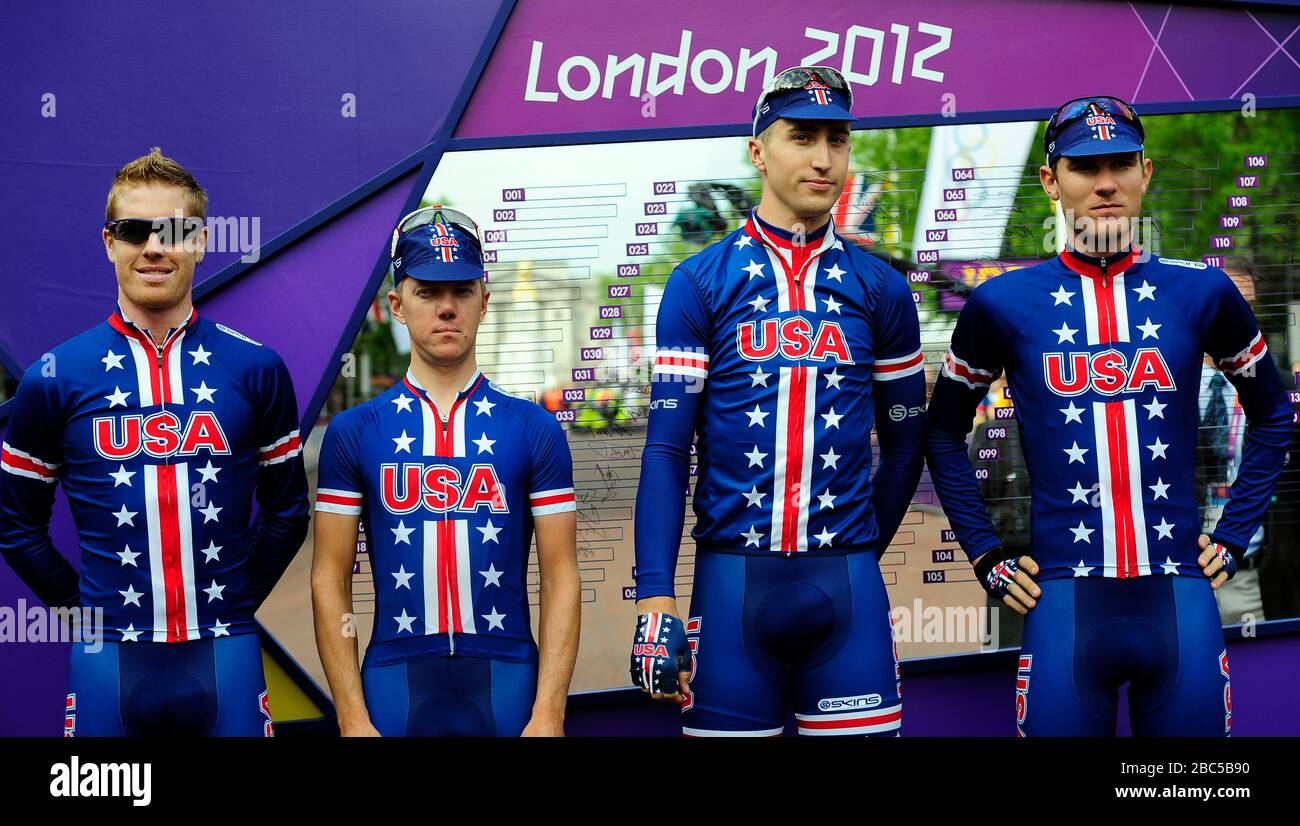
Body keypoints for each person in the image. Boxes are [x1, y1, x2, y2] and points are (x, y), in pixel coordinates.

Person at [925, 97, 1293, 736]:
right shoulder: (1000, 303)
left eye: (1121, 163)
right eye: (1084, 167)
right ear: (1051, 180)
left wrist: (1234, 534)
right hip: (1065, 603)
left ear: (1145, 172)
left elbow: (1273, 414)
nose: (1104, 183)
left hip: (1179, 599)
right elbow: (941, 431)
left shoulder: (1202, 291)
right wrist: (986, 556)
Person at [630, 66, 926, 736]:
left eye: (839, 139)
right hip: (731, 592)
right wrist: (654, 595)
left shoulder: (880, 288)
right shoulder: (698, 282)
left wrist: (856, 552)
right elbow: (668, 449)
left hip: (846, 591)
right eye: (802, 137)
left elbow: (907, 441)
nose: (824, 159)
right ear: (758, 150)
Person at [0, 148, 310, 735]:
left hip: (226, 654)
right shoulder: (55, 376)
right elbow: (14, 525)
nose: (154, 247)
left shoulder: (256, 369)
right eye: (135, 230)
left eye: (173, 231)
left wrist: (234, 603)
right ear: (109, 242)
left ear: (199, 241)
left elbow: (288, 511)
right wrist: (91, 618)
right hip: (108, 664)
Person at [311, 206, 580, 736]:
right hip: (395, 682)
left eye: (460, 291)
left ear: (485, 301)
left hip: (508, 679)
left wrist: (549, 712)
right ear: (397, 305)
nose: (446, 308)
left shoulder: (534, 430)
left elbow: (561, 575)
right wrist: (351, 716)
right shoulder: (355, 432)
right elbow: (328, 577)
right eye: (427, 292)